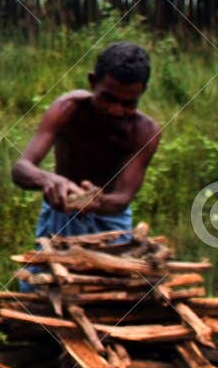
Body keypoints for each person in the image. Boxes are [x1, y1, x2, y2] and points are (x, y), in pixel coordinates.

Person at [10, 42, 161, 291]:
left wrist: (99, 202)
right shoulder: (68, 109)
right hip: (62, 212)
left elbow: (123, 198)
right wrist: (50, 180)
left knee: (112, 289)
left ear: (142, 91)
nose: (116, 110)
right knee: (43, 287)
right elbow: (21, 168)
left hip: (111, 219)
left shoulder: (144, 132)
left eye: (128, 103)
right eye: (108, 98)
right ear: (93, 82)